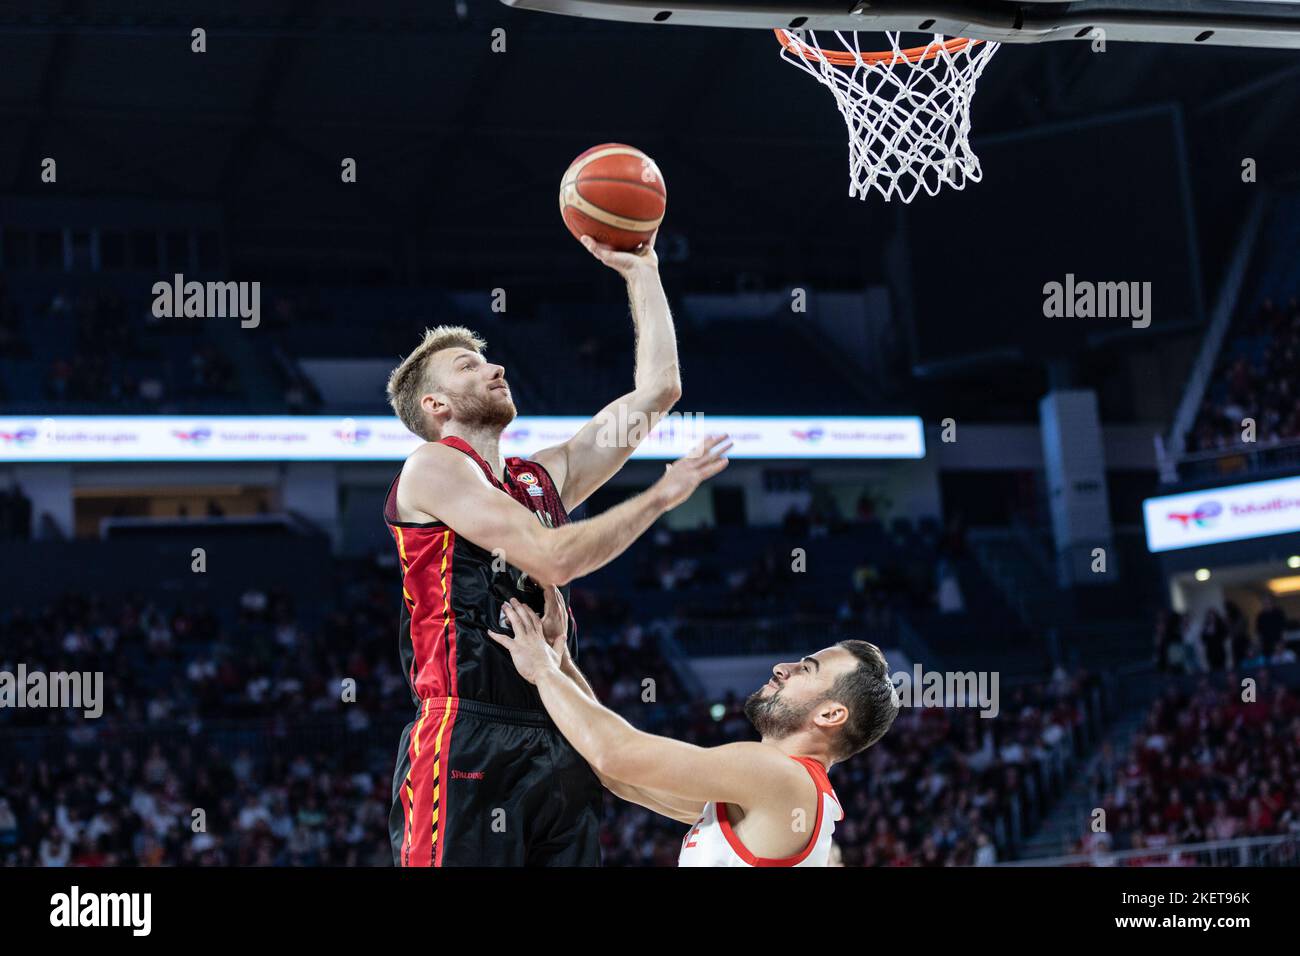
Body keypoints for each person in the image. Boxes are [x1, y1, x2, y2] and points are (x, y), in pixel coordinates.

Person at [381, 231, 731, 867]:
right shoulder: (431, 467)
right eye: (469, 366)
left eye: (489, 360)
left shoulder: (544, 477)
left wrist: (643, 272)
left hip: (560, 720)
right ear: (435, 406)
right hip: (466, 730)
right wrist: (657, 498)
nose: (496, 367)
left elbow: (658, 392)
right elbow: (554, 559)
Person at [490, 588, 901, 867]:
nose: (782, 667)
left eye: (806, 669)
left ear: (830, 715)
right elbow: (620, 776)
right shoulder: (765, 794)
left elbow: (616, 753)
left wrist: (543, 670)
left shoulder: (781, 776)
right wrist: (560, 659)